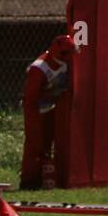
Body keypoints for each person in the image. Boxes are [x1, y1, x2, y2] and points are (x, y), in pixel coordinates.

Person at [21, 35, 75, 190]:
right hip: (35, 109)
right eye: (67, 54)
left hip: (52, 107)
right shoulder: (39, 68)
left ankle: (47, 177)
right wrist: (53, 93)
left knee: (48, 143)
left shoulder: (65, 63)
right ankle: (29, 180)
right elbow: (30, 97)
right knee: (34, 144)